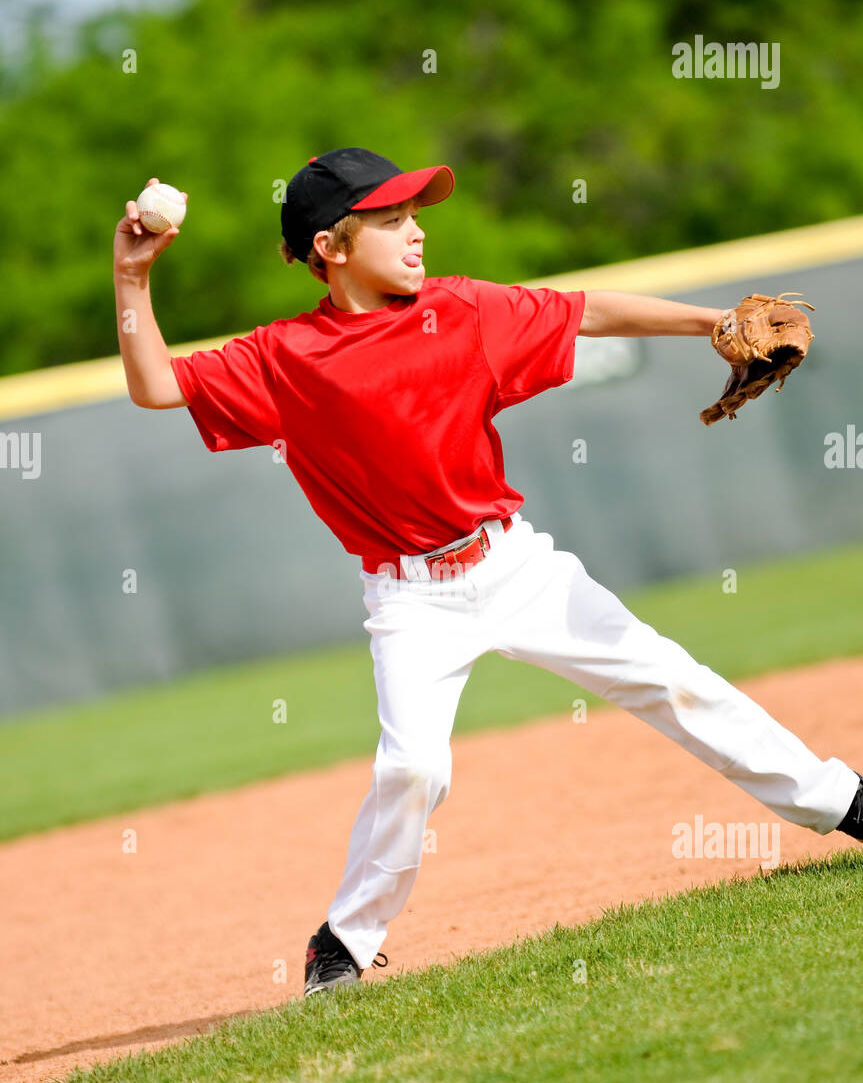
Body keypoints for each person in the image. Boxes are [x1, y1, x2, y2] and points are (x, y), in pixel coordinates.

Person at [113, 147, 863, 999]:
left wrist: (712, 323)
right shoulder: (285, 356)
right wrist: (131, 278)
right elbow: (156, 388)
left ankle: (843, 802)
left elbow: (590, 314)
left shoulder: (461, 309)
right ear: (330, 246)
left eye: (413, 213)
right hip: (409, 598)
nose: (416, 230)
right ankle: (345, 942)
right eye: (390, 219)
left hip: (514, 566)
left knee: (670, 679)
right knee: (412, 769)